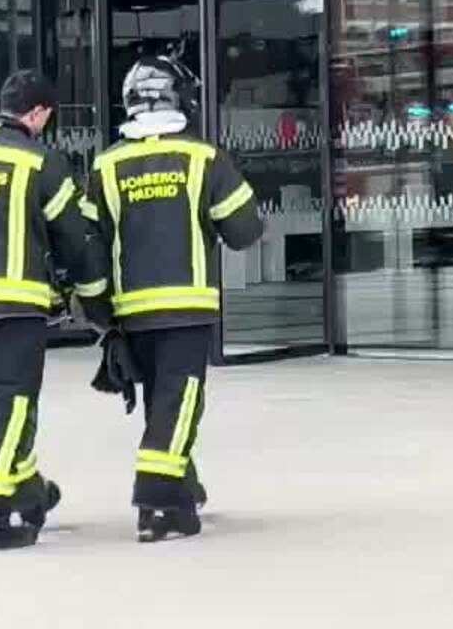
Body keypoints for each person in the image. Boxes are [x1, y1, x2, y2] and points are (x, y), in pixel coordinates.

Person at [87, 57, 263, 542]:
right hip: (186, 305)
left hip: (130, 308)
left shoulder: (106, 164)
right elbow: (245, 230)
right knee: (180, 400)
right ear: (180, 98)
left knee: (160, 402)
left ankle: (181, 490)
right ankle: (157, 502)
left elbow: (88, 244)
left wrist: (98, 312)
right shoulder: (204, 158)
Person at [0, 70, 110, 554]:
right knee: (10, 406)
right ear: (38, 113)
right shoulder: (39, 163)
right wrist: (98, 303)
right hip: (13, 304)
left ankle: (28, 489)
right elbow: (76, 240)